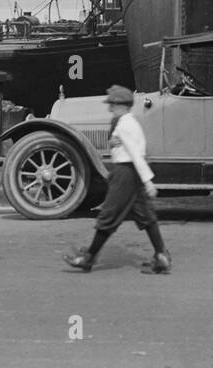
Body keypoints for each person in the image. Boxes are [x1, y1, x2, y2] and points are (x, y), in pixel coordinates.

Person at [65, 84, 171, 274]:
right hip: (130, 173)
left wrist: (148, 181)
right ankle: (161, 255)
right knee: (145, 214)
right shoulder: (129, 123)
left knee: (109, 214)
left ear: (121, 105)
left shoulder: (124, 125)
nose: (109, 108)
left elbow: (136, 155)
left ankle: (88, 258)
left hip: (125, 174)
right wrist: (114, 143)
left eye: (112, 105)